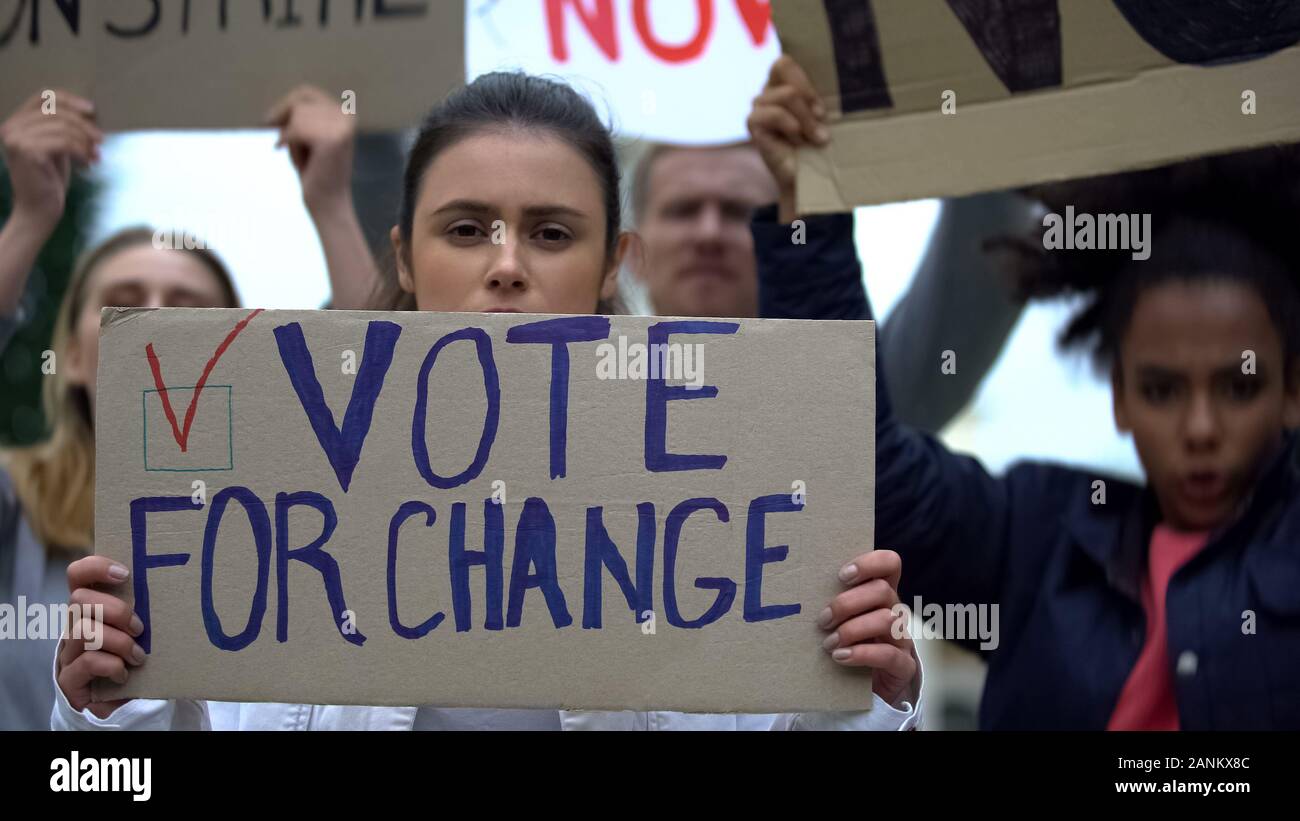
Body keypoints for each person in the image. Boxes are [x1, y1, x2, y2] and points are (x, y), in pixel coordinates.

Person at [54, 72, 922, 731]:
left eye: (551, 232)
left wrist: (874, 695)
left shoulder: (733, 508)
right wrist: (100, 707)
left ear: (613, 262)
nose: (507, 262)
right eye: (466, 228)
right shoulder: (268, 509)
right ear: (404, 255)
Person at [748, 55, 1300, 729]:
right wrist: (808, 210)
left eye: (1240, 386)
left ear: (1292, 390)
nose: (1201, 427)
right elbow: (863, 467)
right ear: (1119, 395)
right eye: (1161, 389)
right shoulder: (1035, 536)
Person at [0, 85, 374, 730]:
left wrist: (333, 204)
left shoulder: (285, 520)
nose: (154, 319)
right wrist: (29, 217)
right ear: (73, 352)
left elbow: (382, 378)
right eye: (123, 299)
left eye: (188, 306)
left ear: (239, 357)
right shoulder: (14, 502)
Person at [632, 136, 1036, 435]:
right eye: (683, 211)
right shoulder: (575, 402)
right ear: (629, 252)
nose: (709, 233)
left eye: (740, 212)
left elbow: (982, 253)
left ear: (789, 241)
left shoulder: (860, 401)